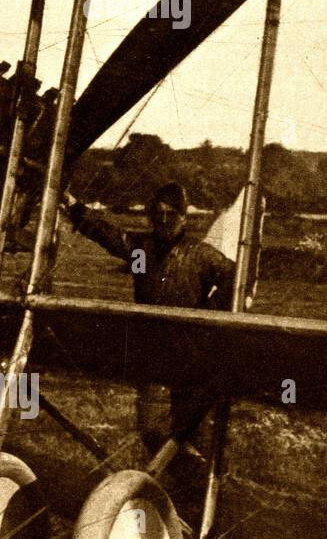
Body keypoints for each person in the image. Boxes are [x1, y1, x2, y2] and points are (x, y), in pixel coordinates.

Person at [64, 181, 235, 478]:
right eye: (158, 214)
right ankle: (194, 480)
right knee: (152, 430)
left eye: (172, 214)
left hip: (190, 355)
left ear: (184, 217)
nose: (165, 220)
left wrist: (208, 315)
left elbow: (235, 279)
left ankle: (214, 486)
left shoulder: (202, 255)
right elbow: (107, 234)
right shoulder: (141, 252)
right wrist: (72, 206)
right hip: (152, 355)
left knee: (196, 430)